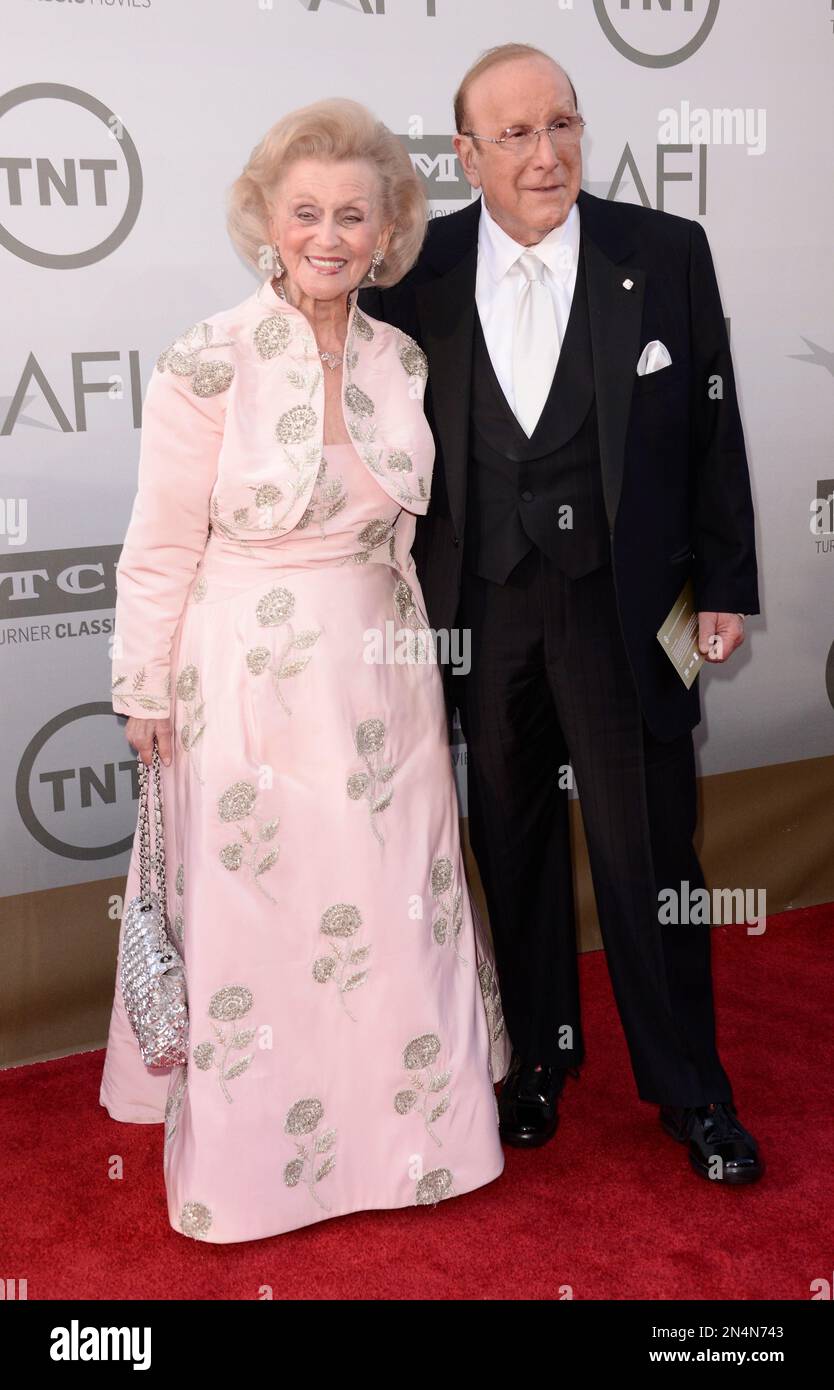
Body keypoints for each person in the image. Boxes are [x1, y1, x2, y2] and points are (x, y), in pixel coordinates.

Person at [100, 96, 511, 1244]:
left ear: (386, 233)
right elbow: (162, 538)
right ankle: (256, 1174)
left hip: (381, 668)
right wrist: (142, 686)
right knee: (264, 919)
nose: (329, 235)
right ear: (266, 223)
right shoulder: (208, 358)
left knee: (393, 900)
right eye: (305, 213)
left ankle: (418, 1143)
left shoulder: (402, 356)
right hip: (242, 674)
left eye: (353, 215)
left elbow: (401, 533)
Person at [359, 44, 764, 1184]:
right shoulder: (414, 268)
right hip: (478, 607)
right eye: (520, 135)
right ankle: (536, 1063)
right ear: (465, 155)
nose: (550, 155)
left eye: (565, 127)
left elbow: (711, 427)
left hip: (627, 609)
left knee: (650, 857)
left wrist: (724, 584)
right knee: (513, 845)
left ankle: (692, 1091)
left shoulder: (664, 252)